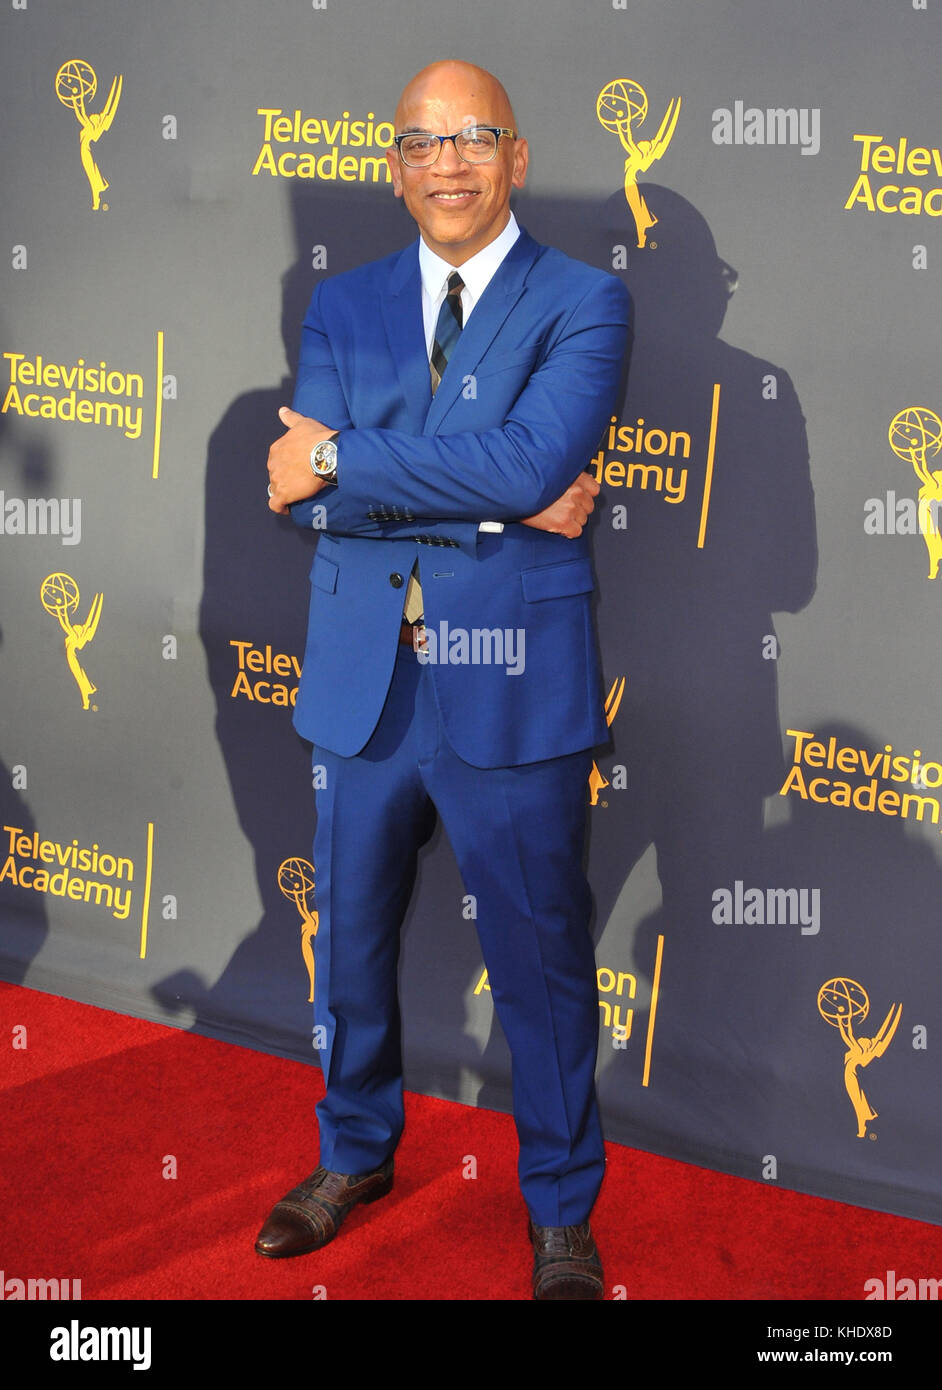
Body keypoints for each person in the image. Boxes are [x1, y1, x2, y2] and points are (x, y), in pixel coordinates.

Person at [258, 59, 631, 1300]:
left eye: (474, 138)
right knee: (348, 948)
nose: (449, 163)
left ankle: (562, 1209)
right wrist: (510, 496)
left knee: (542, 959)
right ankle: (355, 1152)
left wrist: (358, 467)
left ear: (517, 157)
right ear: (394, 165)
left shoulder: (583, 300)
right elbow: (313, 490)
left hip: (515, 685)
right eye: (422, 143)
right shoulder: (339, 305)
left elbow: (523, 450)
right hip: (370, 678)